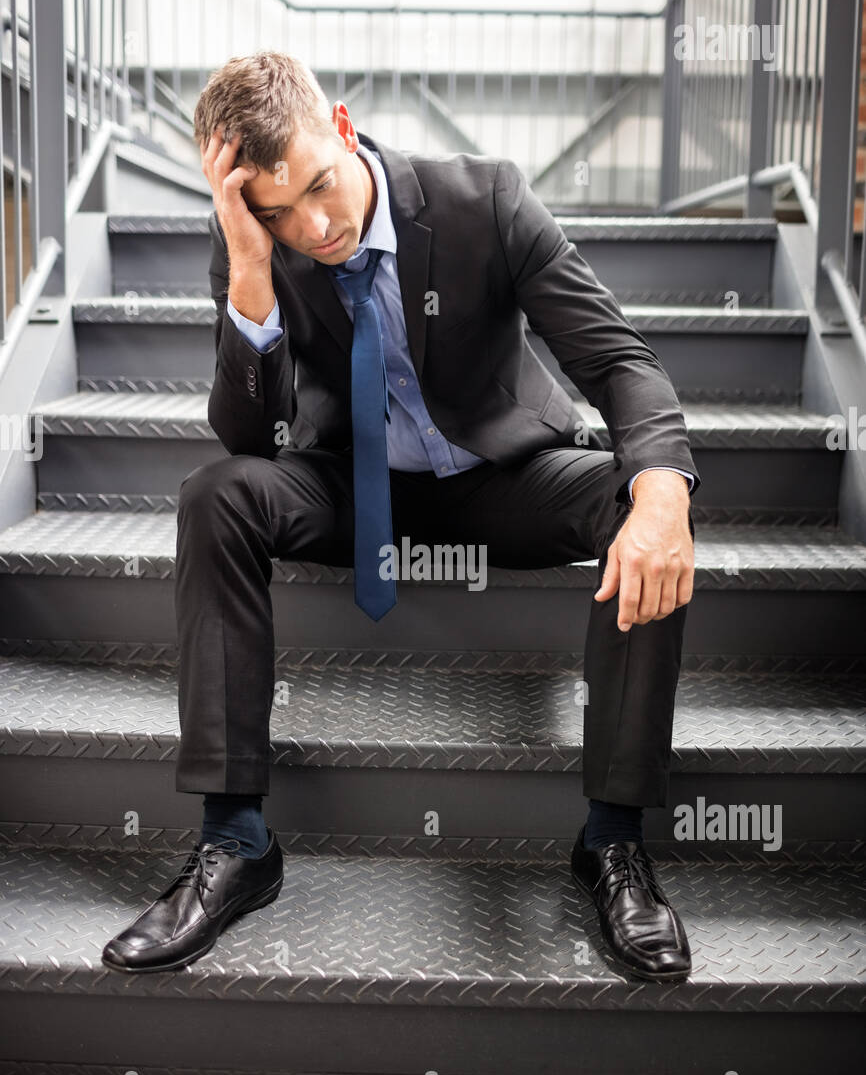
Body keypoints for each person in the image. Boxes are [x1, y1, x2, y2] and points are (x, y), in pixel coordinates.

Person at [102, 52, 700, 982]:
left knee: (643, 499)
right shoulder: (254, 242)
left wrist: (663, 491)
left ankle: (613, 844)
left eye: (319, 189)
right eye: (277, 211)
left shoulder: (483, 201)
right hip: (351, 487)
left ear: (341, 126)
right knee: (216, 495)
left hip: (501, 478)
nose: (316, 226)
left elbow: (622, 362)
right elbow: (247, 437)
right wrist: (251, 273)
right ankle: (237, 844)